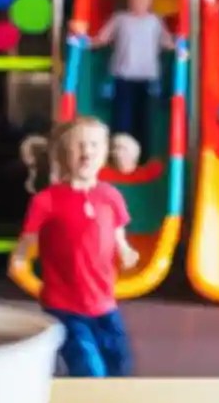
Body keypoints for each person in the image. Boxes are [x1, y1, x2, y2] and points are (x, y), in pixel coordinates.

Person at [11, 117, 141, 377]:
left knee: (121, 366)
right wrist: (25, 269)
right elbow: (24, 249)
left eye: (94, 145)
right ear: (62, 154)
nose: (87, 152)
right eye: (78, 146)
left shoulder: (111, 197)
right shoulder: (46, 201)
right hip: (65, 307)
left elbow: (119, 237)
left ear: (105, 153)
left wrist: (127, 253)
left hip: (105, 304)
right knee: (89, 369)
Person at [89, 0, 176, 150]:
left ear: (150, 1)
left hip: (147, 77)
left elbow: (167, 42)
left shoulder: (155, 21)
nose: (139, 2)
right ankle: (119, 151)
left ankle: (141, 154)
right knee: (122, 117)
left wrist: (179, 45)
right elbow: (102, 38)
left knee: (144, 117)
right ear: (129, 0)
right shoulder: (120, 18)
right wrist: (84, 41)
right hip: (123, 75)